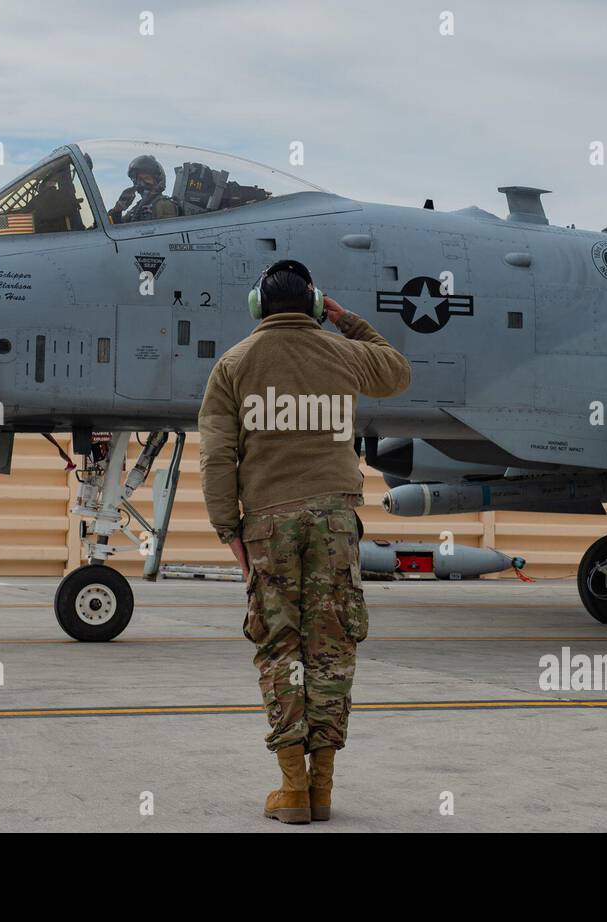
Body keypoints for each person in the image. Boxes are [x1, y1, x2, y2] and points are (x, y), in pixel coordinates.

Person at [197, 259, 411, 824]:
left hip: (267, 524)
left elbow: (218, 455)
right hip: (336, 522)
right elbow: (397, 372)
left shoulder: (234, 365)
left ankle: (291, 790)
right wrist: (348, 321)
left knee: (281, 648)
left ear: (256, 307)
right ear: (316, 306)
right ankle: (322, 789)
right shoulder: (345, 353)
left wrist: (229, 530)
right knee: (332, 646)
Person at [106, 155, 179, 224]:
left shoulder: (164, 205)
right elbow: (116, 230)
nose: (141, 184)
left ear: (158, 181)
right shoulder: (137, 209)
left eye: (146, 178)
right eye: (138, 180)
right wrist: (117, 210)